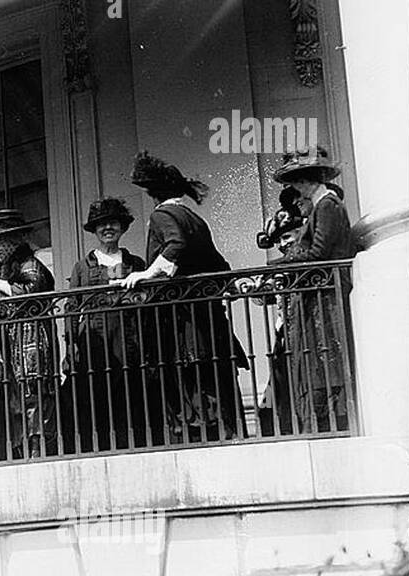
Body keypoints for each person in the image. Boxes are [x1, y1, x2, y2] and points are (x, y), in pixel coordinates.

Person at [119, 151, 248, 441]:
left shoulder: (163, 214)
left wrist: (146, 274)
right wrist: (228, 287)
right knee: (214, 380)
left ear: (153, 195)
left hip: (184, 321)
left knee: (192, 383)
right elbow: (219, 264)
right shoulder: (194, 218)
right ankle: (226, 434)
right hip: (208, 318)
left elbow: (175, 243)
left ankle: (204, 439)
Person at [271, 146, 355, 433]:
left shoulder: (327, 205)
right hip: (318, 295)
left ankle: (331, 420)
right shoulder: (320, 207)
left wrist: (282, 262)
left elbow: (319, 252)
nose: (295, 188)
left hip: (327, 294)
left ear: (307, 180)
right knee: (316, 359)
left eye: (296, 181)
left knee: (326, 357)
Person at [0, 208, 60, 460]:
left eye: (2, 242)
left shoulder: (30, 265)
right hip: (11, 346)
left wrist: (7, 287)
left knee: (36, 394)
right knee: (16, 400)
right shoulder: (2, 270)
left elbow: (35, 289)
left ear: (16, 241)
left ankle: (38, 449)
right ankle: (23, 449)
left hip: (32, 340)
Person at [63, 198, 152, 451]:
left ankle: (131, 446)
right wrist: (71, 346)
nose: (107, 229)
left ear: (122, 227)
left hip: (128, 337)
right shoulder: (83, 267)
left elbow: (146, 304)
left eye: (112, 223)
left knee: (129, 391)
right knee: (96, 394)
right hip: (94, 340)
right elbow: (72, 307)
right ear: (95, 231)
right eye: (101, 225)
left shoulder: (136, 264)